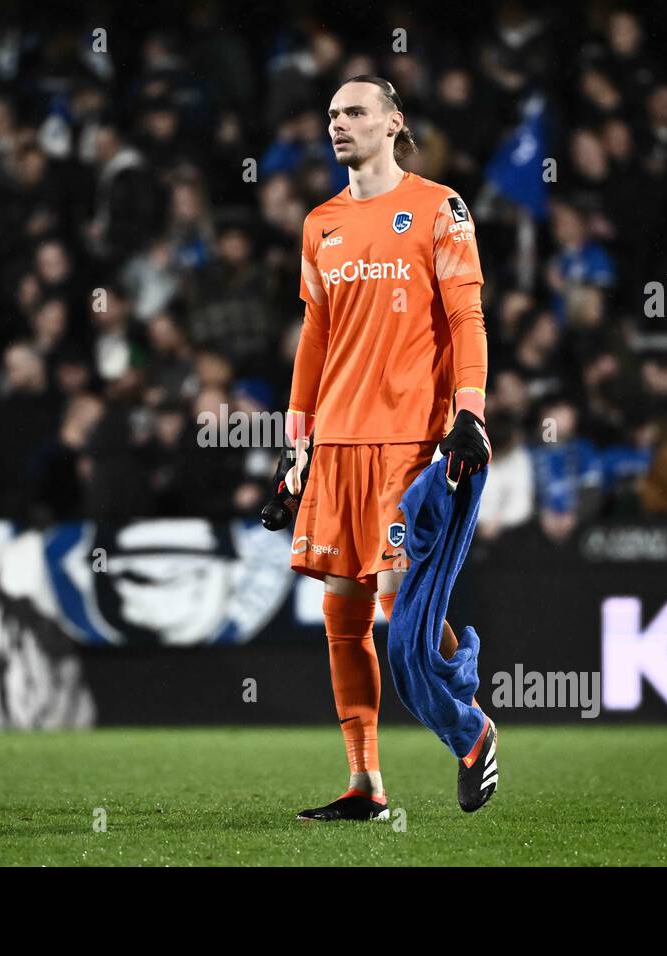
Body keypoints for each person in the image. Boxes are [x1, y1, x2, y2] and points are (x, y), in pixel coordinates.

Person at [281, 75, 492, 821]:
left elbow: (466, 313)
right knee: (344, 614)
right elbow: (316, 333)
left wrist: (470, 411)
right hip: (336, 441)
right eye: (332, 113)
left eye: (355, 111)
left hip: (409, 438)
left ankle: (468, 724)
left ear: (394, 123)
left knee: (400, 614)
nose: (339, 123)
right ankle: (365, 784)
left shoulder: (440, 207)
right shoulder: (321, 223)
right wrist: (297, 438)